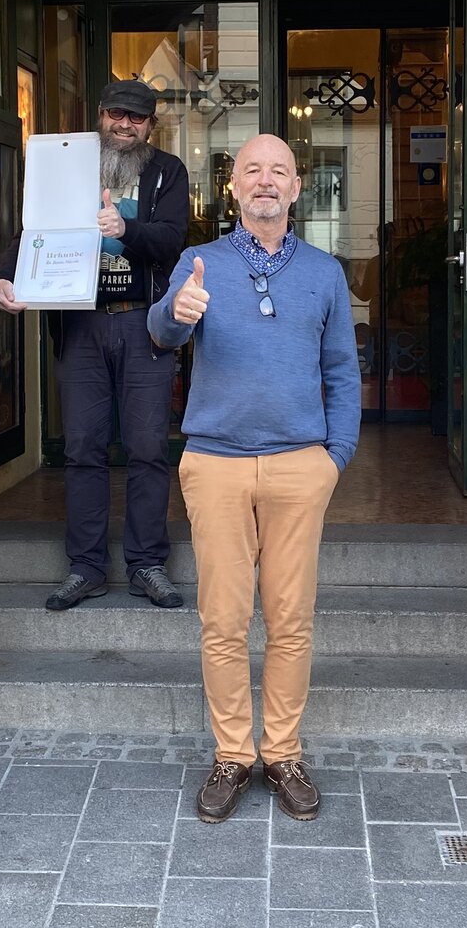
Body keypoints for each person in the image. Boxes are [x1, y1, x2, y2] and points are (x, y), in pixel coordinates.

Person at [149, 134, 358, 823]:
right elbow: (162, 330)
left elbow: (342, 373)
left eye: (280, 172)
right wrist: (176, 315)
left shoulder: (325, 272)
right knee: (225, 621)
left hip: (302, 465)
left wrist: (335, 458)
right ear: (233, 187)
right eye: (252, 171)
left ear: (298, 188)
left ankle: (284, 753)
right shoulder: (198, 261)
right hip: (216, 462)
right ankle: (233, 754)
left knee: (292, 621)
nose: (266, 182)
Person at [0, 78, 190, 611]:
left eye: (138, 118)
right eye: (117, 115)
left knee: (148, 449)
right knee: (82, 449)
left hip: (142, 324)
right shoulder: (67, 164)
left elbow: (173, 240)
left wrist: (125, 229)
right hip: (80, 326)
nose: (126, 126)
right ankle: (85, 567)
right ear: (100, 114)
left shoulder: (167, 172)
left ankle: (147, 563)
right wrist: (5, 276)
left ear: (152, 125)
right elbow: (31, 230)